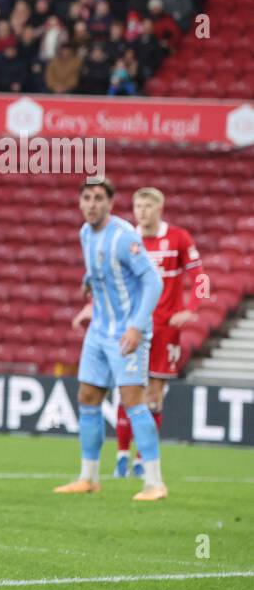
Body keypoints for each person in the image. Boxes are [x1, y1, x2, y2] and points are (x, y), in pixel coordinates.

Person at [74, 186, 203, 480]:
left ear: (159, 208)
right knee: (124, 392)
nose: (142, 212)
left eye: (147, 206)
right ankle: (121, 457)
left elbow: (201, 276)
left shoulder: (177, 238)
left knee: (151, 395)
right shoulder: (125, 238)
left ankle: (144, 461)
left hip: (163, 326)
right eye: (138, 206)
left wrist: (193, 308)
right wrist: (90, 303)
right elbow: (105, 275)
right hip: (128, 323)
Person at [58, 178, 165, 500]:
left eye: (98, 198)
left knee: (133, 400)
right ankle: (88, 477)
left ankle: (154, 483)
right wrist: (89, 280)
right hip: (98, 330)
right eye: (86, 198)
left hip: (125, 332)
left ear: (110, 203)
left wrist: (136, 326)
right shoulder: (85, 233)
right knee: (88, 397)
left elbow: (153, 282)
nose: (91, 204)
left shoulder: (124, 237)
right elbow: (98, 267)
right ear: (80, 203)